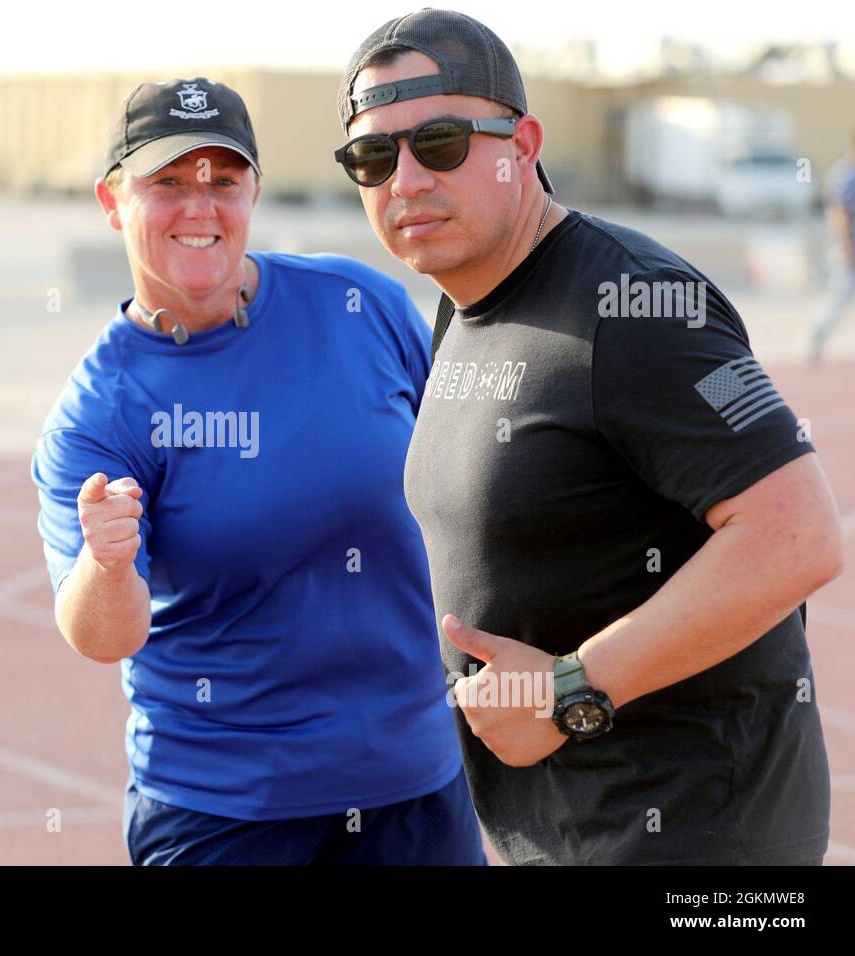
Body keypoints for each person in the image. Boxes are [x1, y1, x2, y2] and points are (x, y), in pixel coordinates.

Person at [334, 8, 844, 865]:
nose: (407, 179)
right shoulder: (458, 308)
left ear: (523, 144)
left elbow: (797, 534)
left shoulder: (636, 305)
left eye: (445, 142)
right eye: (374, 157)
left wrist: (571, 690)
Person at [31, 76, 485, 865]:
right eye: (167, 182)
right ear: (112, 201)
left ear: (255, 192)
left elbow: (468, 474)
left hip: (414, 789)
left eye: (223, 182)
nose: (199, 207)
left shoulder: (361, 306)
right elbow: (104, 636)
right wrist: (106, 565)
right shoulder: (100, 412)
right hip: (225, 809)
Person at [804, 130, 855, 363]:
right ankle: (814, 339)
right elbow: (838, 214)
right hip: (848, 248)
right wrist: (846, 249)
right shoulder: (845, 175)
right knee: (839, 297)